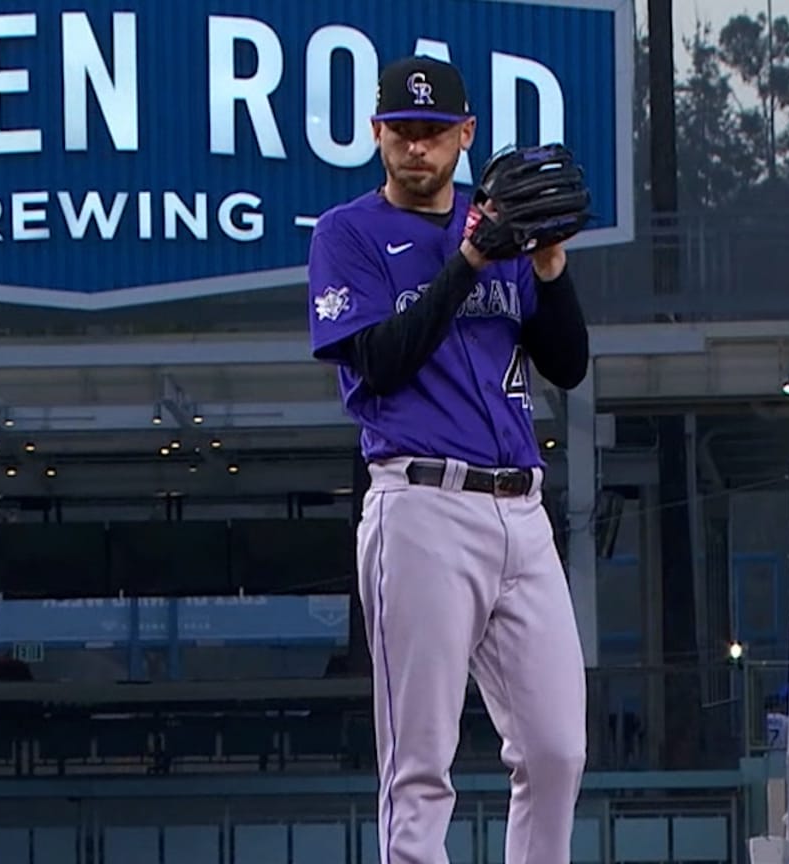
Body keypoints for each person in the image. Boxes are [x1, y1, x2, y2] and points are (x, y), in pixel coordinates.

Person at [304, 56, 588, 864]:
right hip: (420, 501)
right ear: (376, 136)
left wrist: (548, 268)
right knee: (420, 765)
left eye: (434, 132)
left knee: (556, 749)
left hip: (521, 509)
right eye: (403, 131)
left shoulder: (502, 228)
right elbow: (381, 359)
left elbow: (566, 363)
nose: (417, 147)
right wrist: (466, 263)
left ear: (465, 135)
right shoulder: (348, 233)